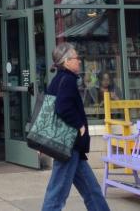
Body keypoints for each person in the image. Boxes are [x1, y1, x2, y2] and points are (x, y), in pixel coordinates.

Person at [41, 43, 110, 211]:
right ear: (66, 62)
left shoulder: (58, 79)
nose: (79, 61)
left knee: (91, 190)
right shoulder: (68, 80)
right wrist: (79, 125)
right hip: (68, 144)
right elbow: (62, 107)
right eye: (76, 58)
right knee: (57, 193)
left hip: (71, 145)